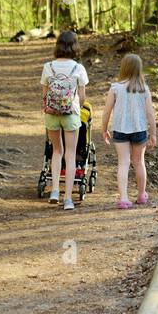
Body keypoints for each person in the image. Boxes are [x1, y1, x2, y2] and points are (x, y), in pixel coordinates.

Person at [100, 53, 157, 209]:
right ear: (139, 69)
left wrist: (104, 129)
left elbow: (106, 112)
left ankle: (124, 198)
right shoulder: (143, 89)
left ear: (123, 68)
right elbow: (150, 113)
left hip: (120, 129)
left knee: (123, 163)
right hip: (139, 130)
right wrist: (153, 133)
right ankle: (141, 195)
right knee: (139, 162)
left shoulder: (115, 88)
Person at [41, 30, 88, 210]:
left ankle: (54, 191)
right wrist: (74, 106)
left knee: (56, 151)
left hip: (52, 114)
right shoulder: (78, 68)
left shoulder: (48, 67)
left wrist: (49, 108)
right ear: (74, 46)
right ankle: (67, 198)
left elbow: (44, 94)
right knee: (70, 154)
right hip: (71, 115)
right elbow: (82, 97)